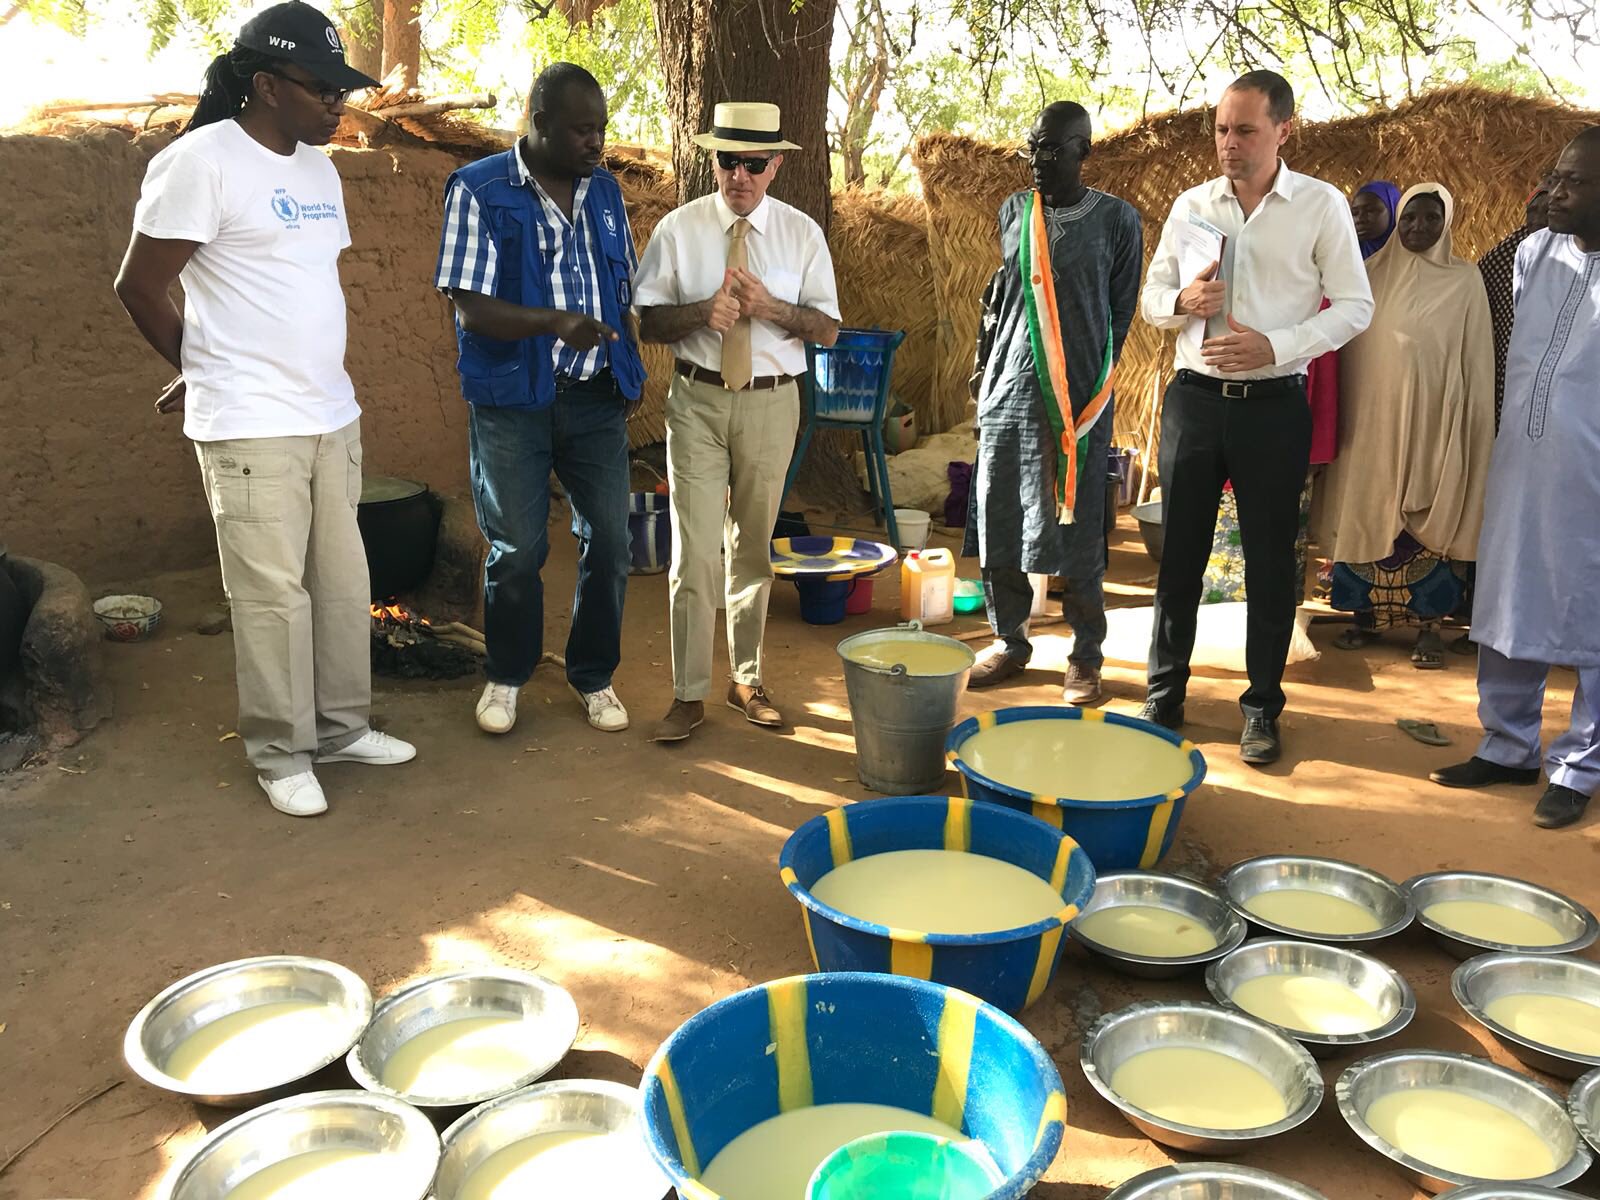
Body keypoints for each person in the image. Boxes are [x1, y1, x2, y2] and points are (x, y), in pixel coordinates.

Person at [113, 1, 413, 818]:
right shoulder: (200, 163)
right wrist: (202, 368)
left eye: (342, 91)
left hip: (329, 413)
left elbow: (293, 289)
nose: (338, 104)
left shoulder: (318, 170)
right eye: (323, 89)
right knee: (272, 596)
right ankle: (281, 750)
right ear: (268, 84)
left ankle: (344, 727)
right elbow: (139, 287)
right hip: (250, 423)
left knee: (344, 584)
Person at [1138, 70, 1373, 765]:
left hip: (1273, 408)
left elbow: (1355, 306)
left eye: (1243, 130)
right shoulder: (1191, 205)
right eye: (1220, 129)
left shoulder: (1321, 206)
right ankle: (1164, 693)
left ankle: (1262, 708)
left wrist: (1279, 344)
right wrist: (1182, 300)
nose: (1228, 144)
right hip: (1194, 402)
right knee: (1180, 557)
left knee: (1273, 565)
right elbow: (1152, 298)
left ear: (1283, 130)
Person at [434, 63, 644, 737]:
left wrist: (627, 358)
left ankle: (593, 676)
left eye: (602, 129)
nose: (596, 143)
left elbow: (626, 290)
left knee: (611, 541)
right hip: (512, 402)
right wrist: (555, 322)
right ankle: (507, 674)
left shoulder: (607, 194)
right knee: (517, 548)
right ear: (540, 123)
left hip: (593, 399)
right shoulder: (479, 189)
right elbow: (469, 307)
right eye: (582, 130)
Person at [633, 102, 840, 743]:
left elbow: (828, 329)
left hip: (773, 401)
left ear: (776, 164)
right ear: (713, 160)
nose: (740, 175)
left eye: (754, 163)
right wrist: (703, 312)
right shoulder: (679, 229)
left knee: (752, 547)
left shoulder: (802, 234)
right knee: (693, 554)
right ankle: (688, 694)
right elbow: (647, 321)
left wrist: (770, 306)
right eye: (729, 160)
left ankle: (747, 681)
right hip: (697, 400)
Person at [1431, 128, 1600, 829]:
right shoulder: (1533, 253)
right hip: (1522, 461)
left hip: (1590, 475)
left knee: (1591, 613)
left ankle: (1579, 766)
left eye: (1573, 182)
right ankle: (1507, 745)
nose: (1552, 191)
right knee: (1507, 598)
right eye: (1552, 176)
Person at [964, 101, 1142, 704]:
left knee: (1080, 525)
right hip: (1008, 397)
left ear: (1082, 151)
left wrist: (1088, 386)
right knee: (1000, 518)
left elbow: (1120, 312)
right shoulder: (1014, 210)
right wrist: (983, 372)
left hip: (1076, 407)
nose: (1038, 161)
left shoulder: (1118, 221)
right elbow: (998, 299)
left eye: (1052, 149)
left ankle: (1085, 655)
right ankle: (1010, 641)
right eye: (1032, 148)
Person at [1316, 184, 1496, 668]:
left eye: (1430, 219)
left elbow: (1474, 359)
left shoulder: (1465, 281)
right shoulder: (1368, 277)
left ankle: (1430, 627)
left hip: (1434, 420)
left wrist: (1463, 420)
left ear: (1447, 223)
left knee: (1431, 508)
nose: (1418, 227)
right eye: (1410, 218)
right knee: (1366, 503)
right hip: (1370, 422)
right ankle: (1363, 619)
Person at [1479, 181, 1552, 431]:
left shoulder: (1578, 254)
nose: (1540, 219)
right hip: (1508, 362)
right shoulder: (1504, 255)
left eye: (1548, 210)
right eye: (1534, 211)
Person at [1350, 181, 1402, 259]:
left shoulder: (1411, 255)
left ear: (1393, 210)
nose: (1360, 219)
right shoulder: (1349, 253)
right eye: (1355, 213)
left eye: (1370, 211)